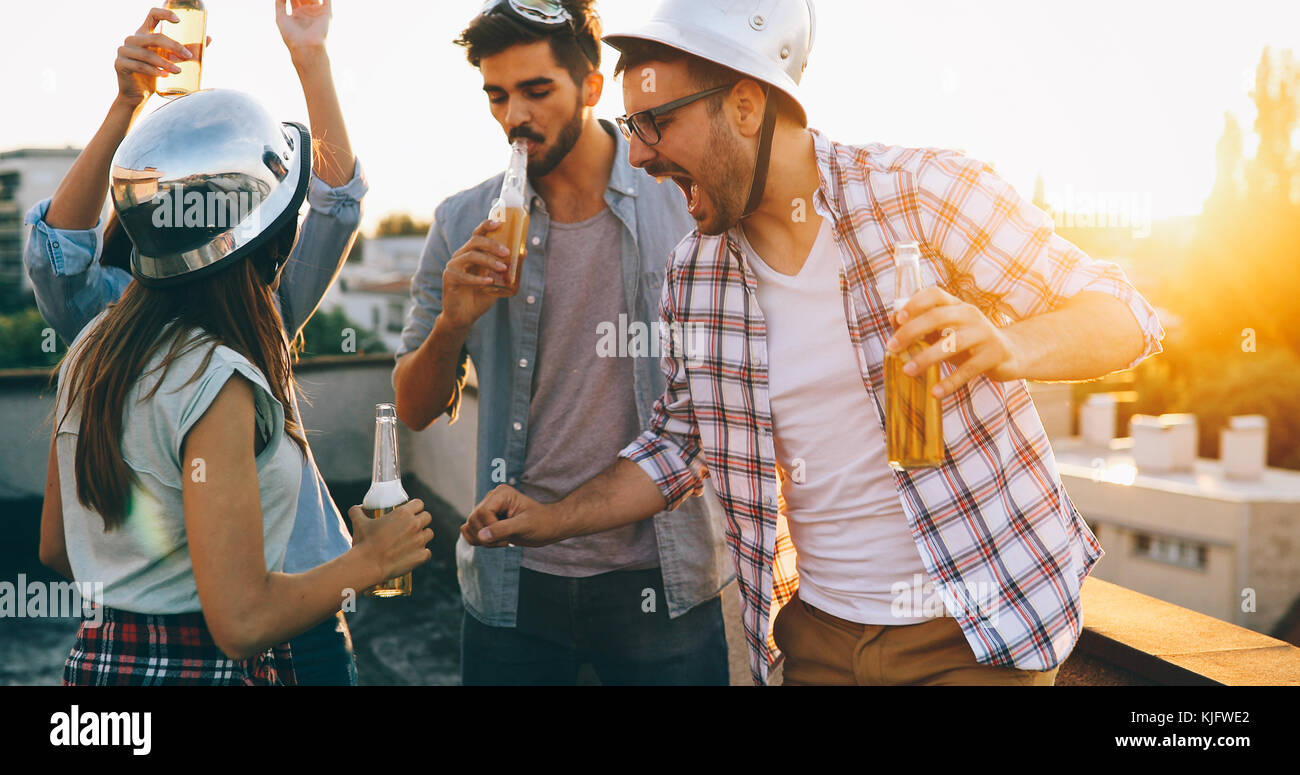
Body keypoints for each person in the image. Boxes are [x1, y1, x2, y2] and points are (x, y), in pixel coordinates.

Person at [463, 0, 1167, 686]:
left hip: (974, 632)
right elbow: (677, 448)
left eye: (658, 122)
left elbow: (1127, 313)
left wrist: (1010, 346)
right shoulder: (694, 272)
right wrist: (551, 518)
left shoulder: (920, 193)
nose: (641, 154)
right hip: (815, 641)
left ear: (745, 104)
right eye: (632, 124)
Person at [27, 1, 371, 685]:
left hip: (128, 647)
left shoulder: (98, 343)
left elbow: (57, 549)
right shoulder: (231, 328)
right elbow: (56, 256)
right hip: (247, 626)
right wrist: (126, 105)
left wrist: (310, 56)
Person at [393, 0, 733, 685]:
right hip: (515, 580)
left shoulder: (681, 200)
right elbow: (413, 408)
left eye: (536, 90)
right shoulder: (465, 220)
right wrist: (452, 319)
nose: (514, 115)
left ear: (593, 87)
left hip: (659, 575)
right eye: (497, 95)